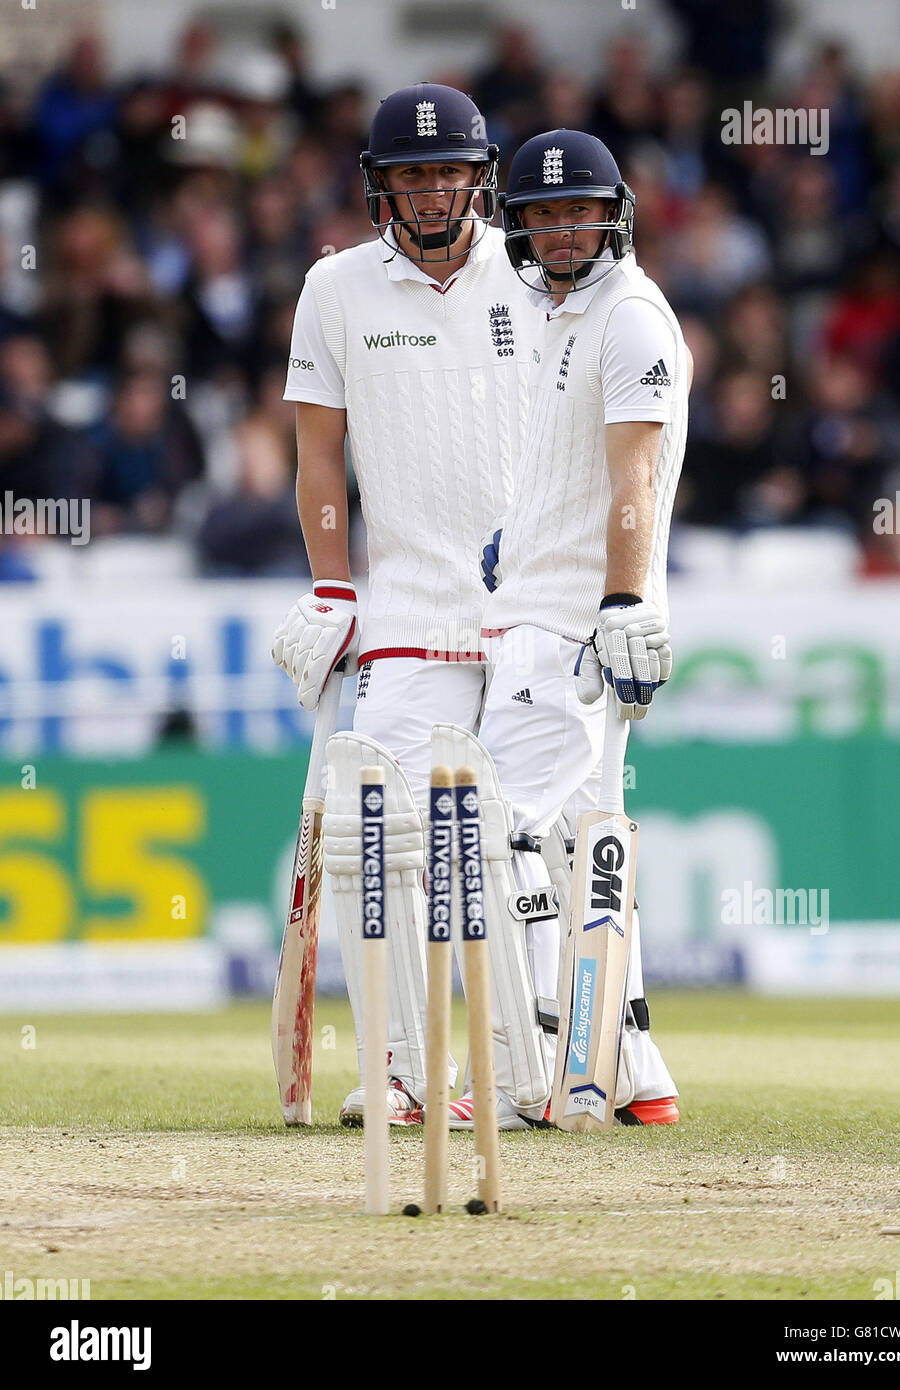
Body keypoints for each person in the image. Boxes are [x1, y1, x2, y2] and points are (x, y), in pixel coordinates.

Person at [272, 84, 539, 1127]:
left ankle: (535, 1073)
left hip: (530, 608)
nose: (433, 191)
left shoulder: (537, 278)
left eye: (449, 171)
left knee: (520, 846)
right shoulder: (333, 288)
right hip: (407, 610)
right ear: (382, 185)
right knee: (373, 833)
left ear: (480, 176)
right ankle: (397, 1066)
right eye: (412, 173)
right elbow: (316, 456)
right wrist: (335, 583)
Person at [469, 128, 694, 1126]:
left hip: (571, 630)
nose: (563, 231)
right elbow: (562, 468)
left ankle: (533, 1071)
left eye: (580, 211)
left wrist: (617, 603)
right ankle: (632, 1069)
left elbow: (633, 478)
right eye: (544, 214)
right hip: (541, 608)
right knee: (581, 844)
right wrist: (512, 538)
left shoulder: (631, 315)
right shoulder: (553, 311)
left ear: (615, 214)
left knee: (491, 834)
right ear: (518, 224)